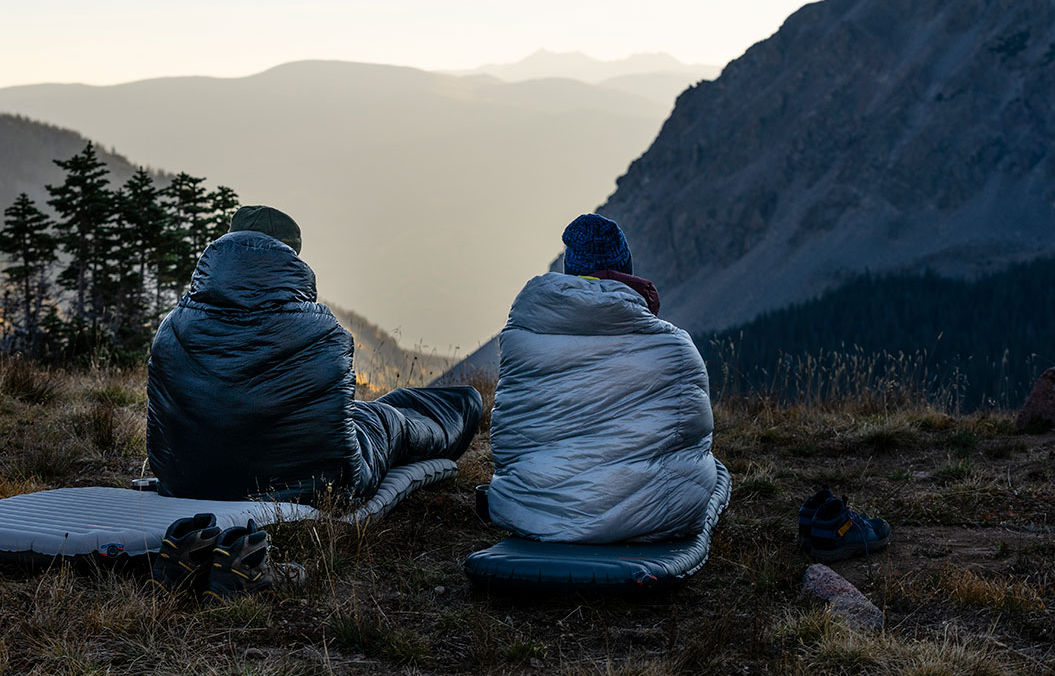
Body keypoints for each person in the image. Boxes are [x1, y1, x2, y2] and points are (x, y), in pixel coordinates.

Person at [146, 205, 483, 502]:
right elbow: (334, 422)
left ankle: (442, 405)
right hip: (318, 483)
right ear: (290, 257)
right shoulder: (323, 332)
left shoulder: (172, 328)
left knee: (373, 414)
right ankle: (465, 406)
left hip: (186, 482)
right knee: (389, 421)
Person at [487, 213, 718, 543]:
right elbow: (693, 436)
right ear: (627, 270)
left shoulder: (521, 336)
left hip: (531, 510)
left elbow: (509, 439)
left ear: (570, 271)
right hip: (643, 518)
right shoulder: (672, 348)